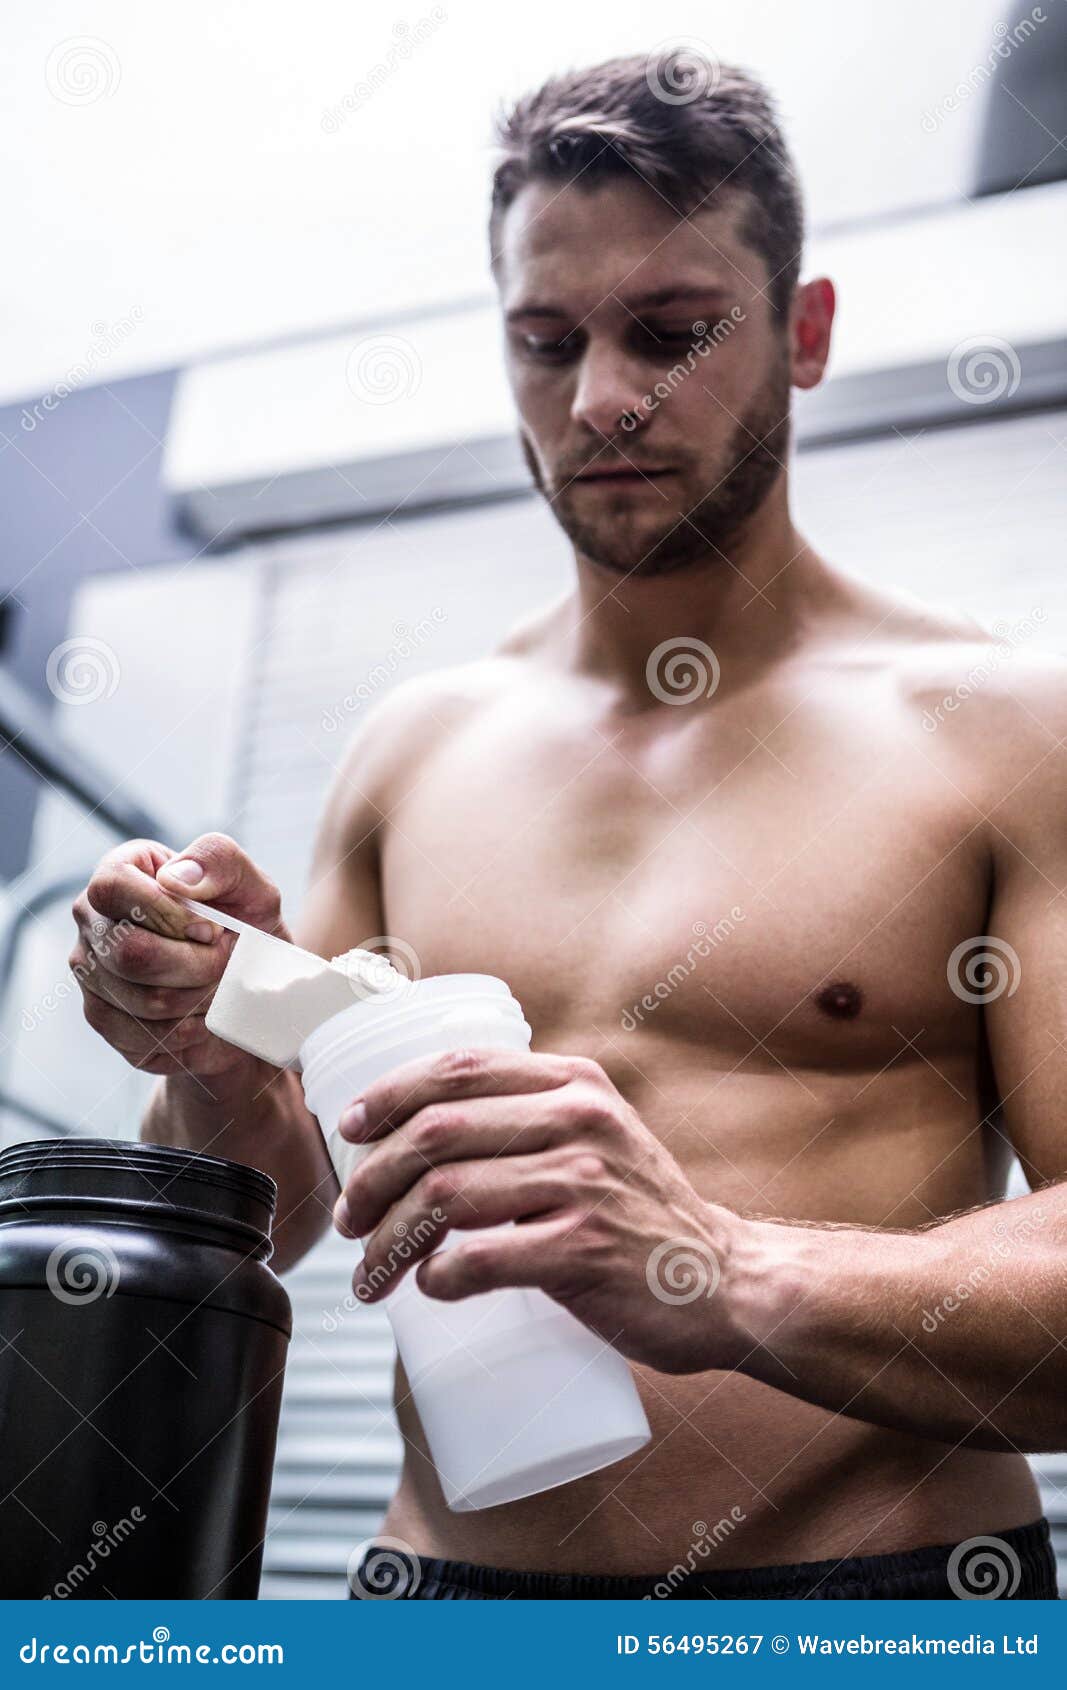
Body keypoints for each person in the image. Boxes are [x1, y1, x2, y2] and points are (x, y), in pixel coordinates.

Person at [72, 50, 1064, 1600]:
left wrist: (721, 1267)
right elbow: (268, 1215)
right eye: (547, 342)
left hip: (864, 1600)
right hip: (441, 1604)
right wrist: (215, 1058)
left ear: (804, 336)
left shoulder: (1006, 733)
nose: (603, 399)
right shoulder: (415, 745)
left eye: (672, 333)